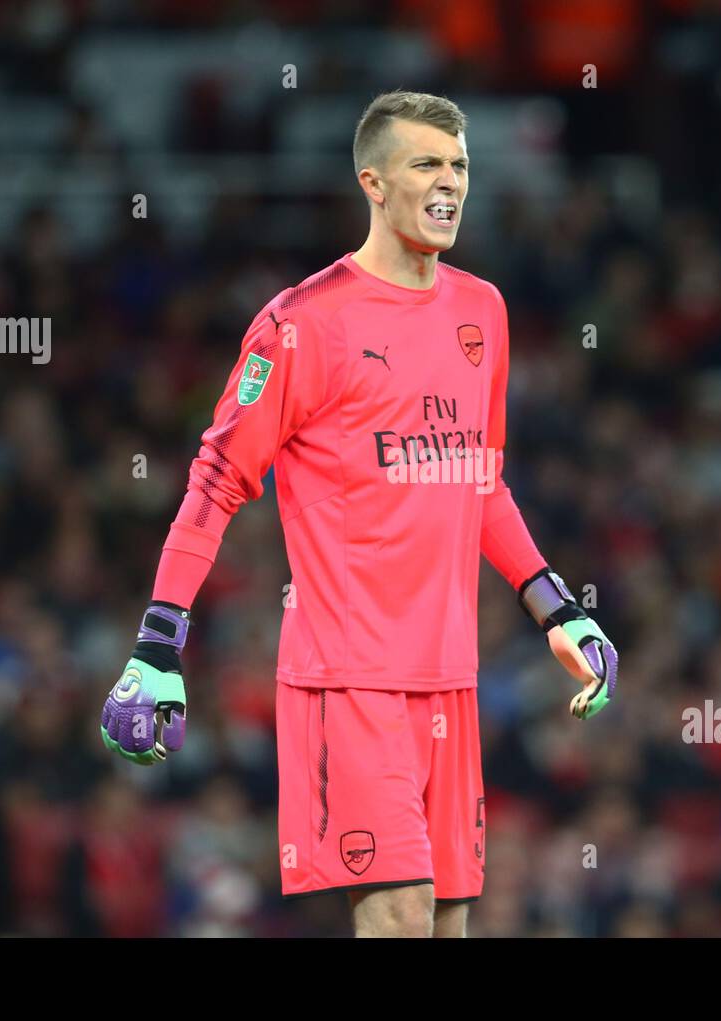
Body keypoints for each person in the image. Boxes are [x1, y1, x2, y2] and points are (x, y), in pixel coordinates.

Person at [100, 90, 619, 938]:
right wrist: (158, 643)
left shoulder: (482, 311)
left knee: (448, 925)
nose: (450, 183)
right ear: (372, 182)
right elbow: (217, 476)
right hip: (349, 678)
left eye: (459, 166)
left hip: (450, 675)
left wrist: (555, 606)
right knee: (401, 916)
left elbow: (481, 481)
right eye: (428, 165)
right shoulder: (301, 324)